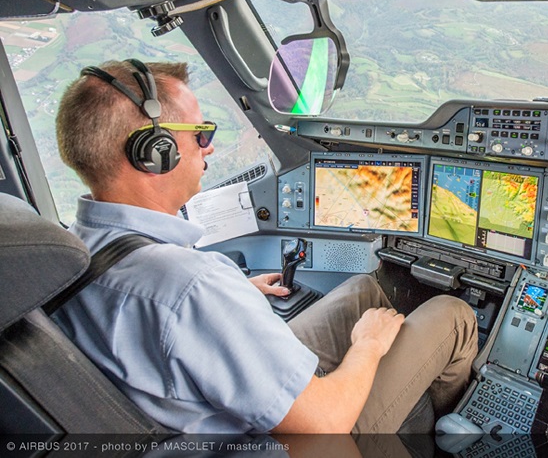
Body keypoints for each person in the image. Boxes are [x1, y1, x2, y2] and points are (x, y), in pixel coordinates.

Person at [52, 59, 478, 434]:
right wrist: (368, 346)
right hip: (287, 439)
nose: (210, 146)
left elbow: (152, 326)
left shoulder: (72, 248)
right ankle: (436, 434)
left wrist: (234, 297)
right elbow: (324, 425)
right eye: (201, 134)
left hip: (193, 405)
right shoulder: (192, 286)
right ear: (155, 153)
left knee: (362, 292)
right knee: (452, 314)